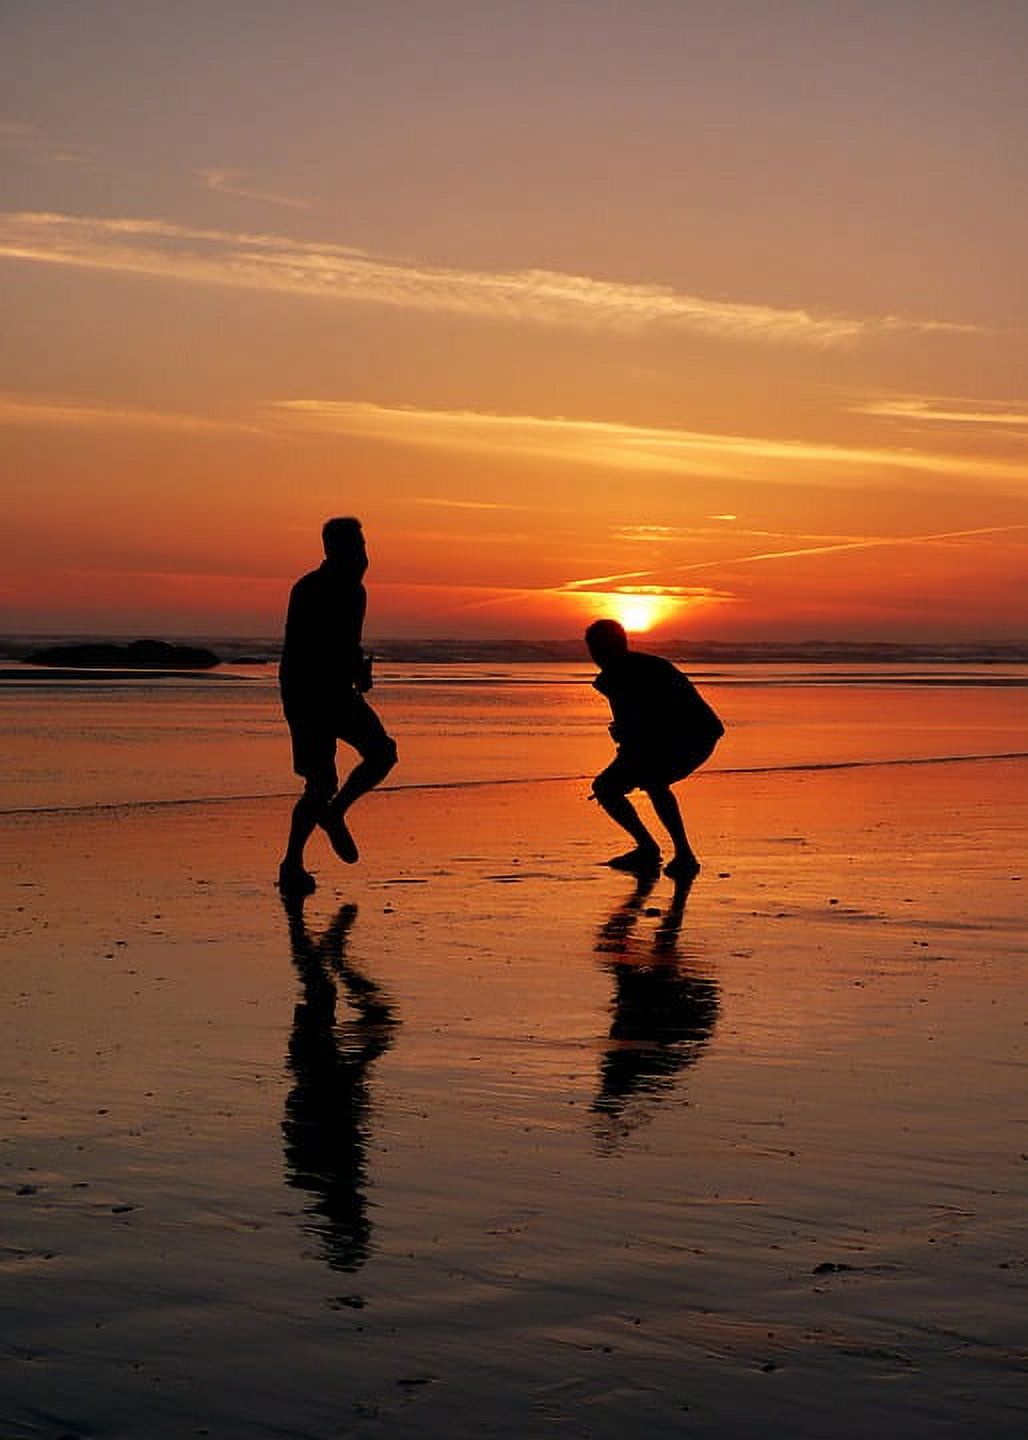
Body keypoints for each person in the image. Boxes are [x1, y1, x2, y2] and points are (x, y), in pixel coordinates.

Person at [278, 517, 397, 895]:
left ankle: (336, 812)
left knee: (382, 754)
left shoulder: (356, 591)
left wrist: (358, 672)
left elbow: (347, 644)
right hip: (306, 695)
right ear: (336, 551)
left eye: (365, 548)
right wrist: (351, 671)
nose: (365, 556)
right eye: (358, 548)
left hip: (337, 693)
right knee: (321, 782)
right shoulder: (311, 590)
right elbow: (313, 648)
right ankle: (292, 864)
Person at [586, 618, 723, 879]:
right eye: (593, 650)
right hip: (665, 736)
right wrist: (627, 742)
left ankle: (684, 854)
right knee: (606, 786)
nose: (596, 656)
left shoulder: (629, 673)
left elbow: (651, 721)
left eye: (599, 649)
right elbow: (635, 727)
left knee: (652, 778)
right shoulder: (620, 672)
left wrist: (628, 744)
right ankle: (648, 848)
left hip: (695, 735)